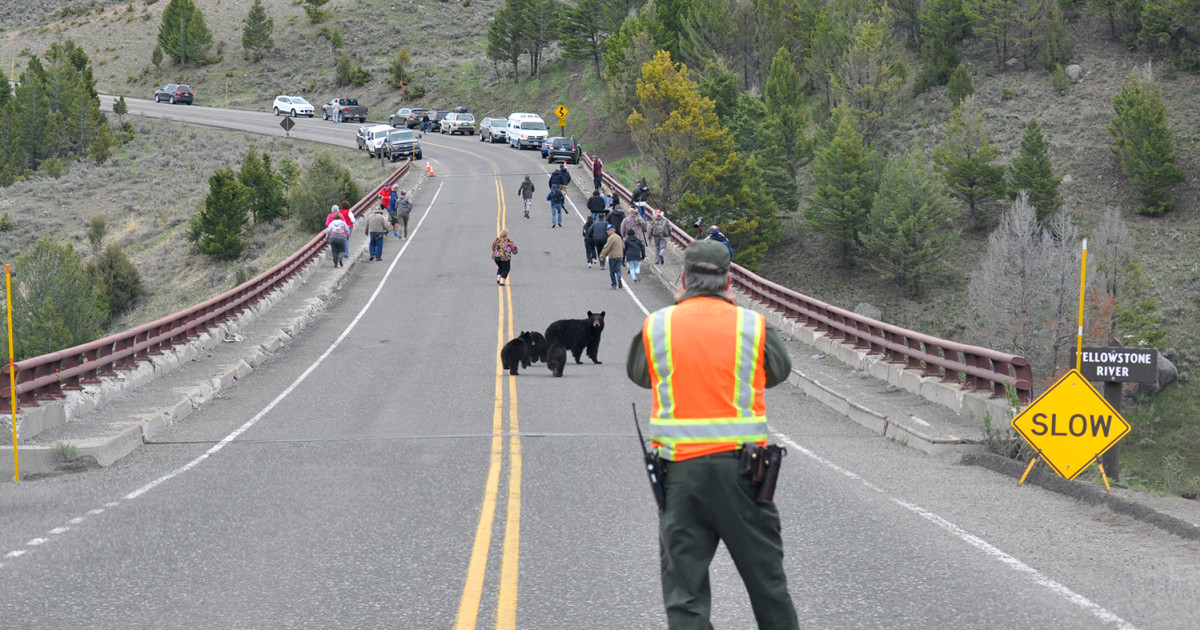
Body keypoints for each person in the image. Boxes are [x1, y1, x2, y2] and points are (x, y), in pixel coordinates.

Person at [625, 239, 799, 630]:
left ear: (683, 278)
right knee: (768, 587)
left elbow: (638, 373)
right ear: (729, 281)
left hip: (681, 478)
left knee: (685, 597)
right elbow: (779, 371)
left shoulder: (659, 325)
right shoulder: (750, 325)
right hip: (744, 475)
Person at [598, 223, 625, 289]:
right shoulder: (618, 237)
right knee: (618, 269)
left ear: (612, 230)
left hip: (613, 256)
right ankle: (619, 277)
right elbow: (623, 246)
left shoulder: (610, 238)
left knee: (612, 271)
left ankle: (614, 284)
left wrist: (602, 255)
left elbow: (607, 247)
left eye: (608, 230)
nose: (607, 231)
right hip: (620, 256)